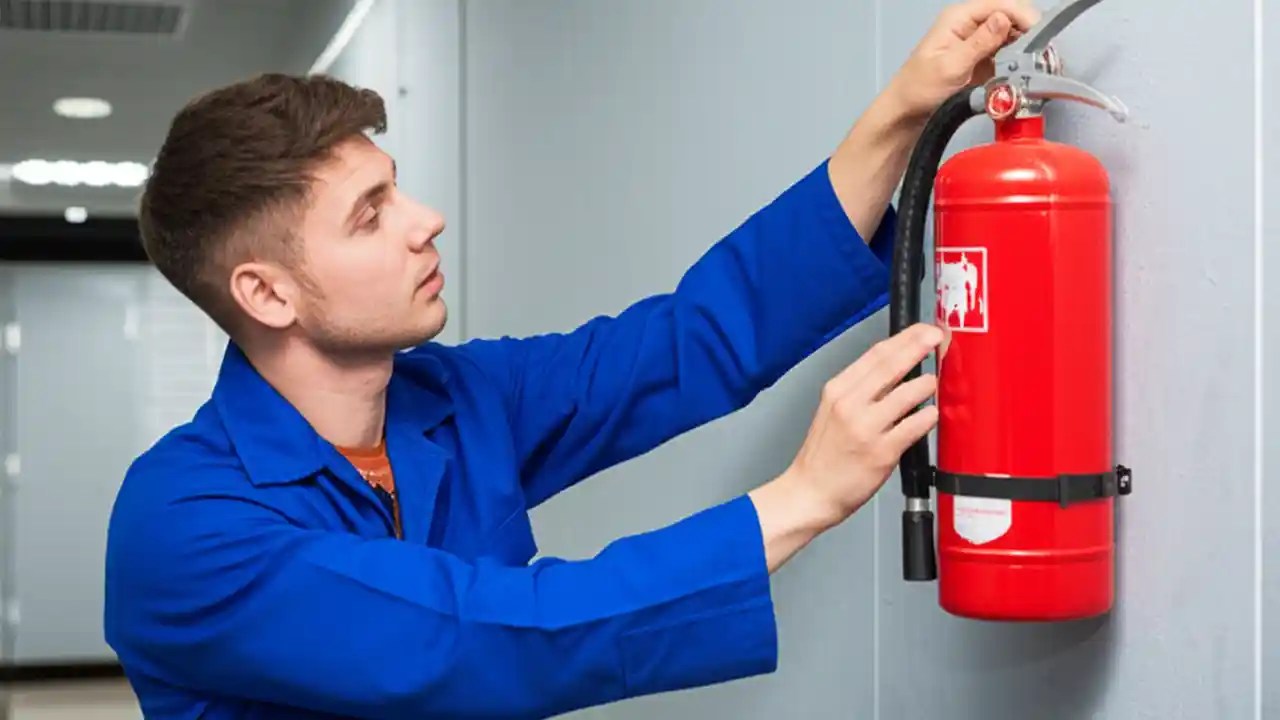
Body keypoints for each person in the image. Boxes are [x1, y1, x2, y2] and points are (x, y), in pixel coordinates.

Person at [103, 2, 1039, 718]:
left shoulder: (453, 401)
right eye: (370, 214)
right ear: (267, 294)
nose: (424, 221)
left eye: (397, 190)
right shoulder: (183, 528)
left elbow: (687, 342)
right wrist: (800, 498)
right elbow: (488, 641)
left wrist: (898, 113)